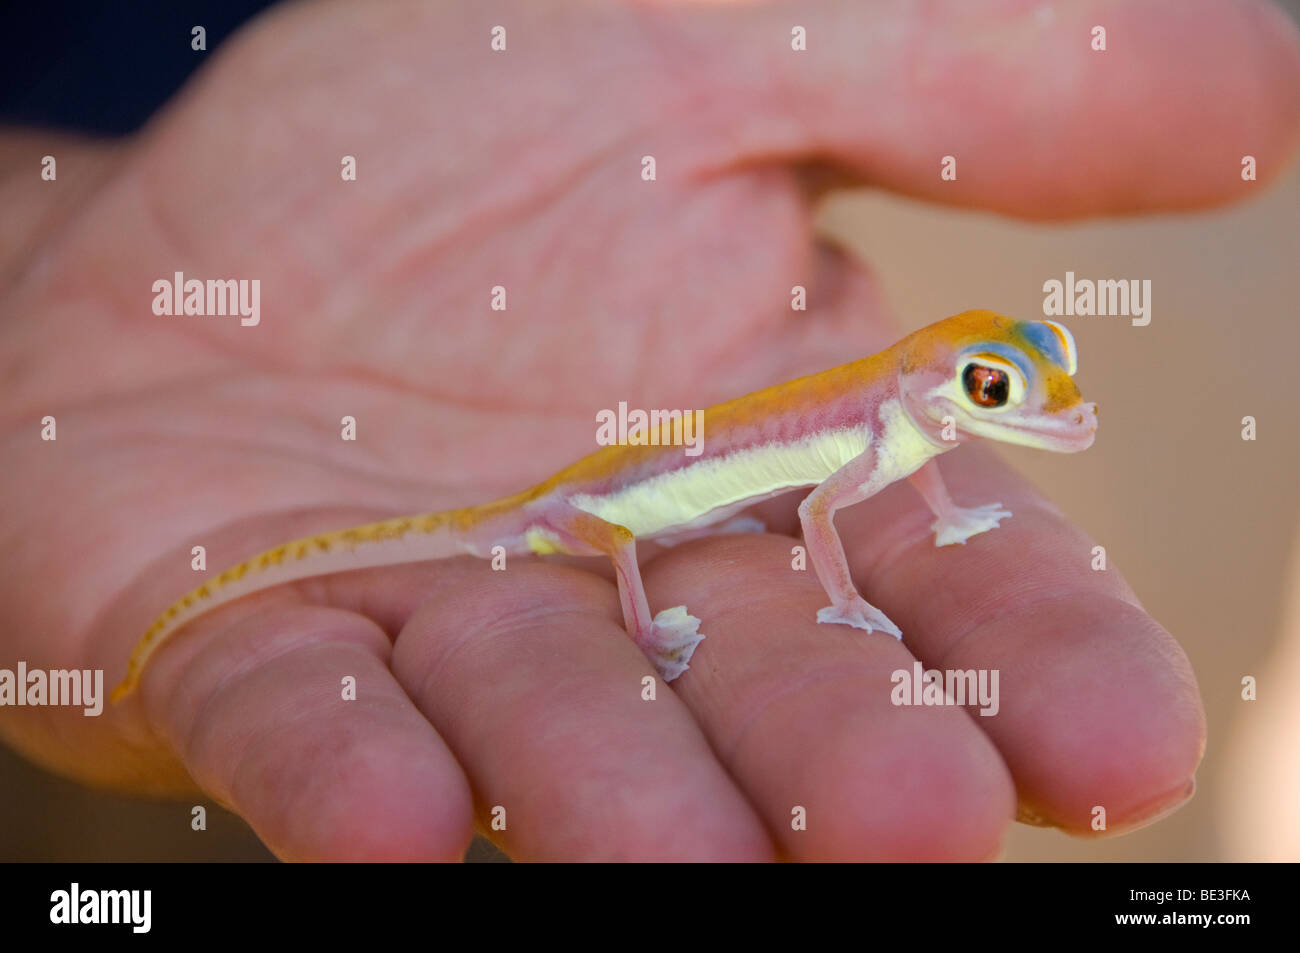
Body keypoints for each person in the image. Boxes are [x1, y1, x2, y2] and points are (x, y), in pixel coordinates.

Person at [2, 0, 1297, 861]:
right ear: (939, 388)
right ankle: (642, 624)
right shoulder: (868, 439)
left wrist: (954, 508)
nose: (1029, 409)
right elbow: (829, 525)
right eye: (1001, 393)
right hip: (591, 507)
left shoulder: (890, 426)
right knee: (586, 577)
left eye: (1024, 382)